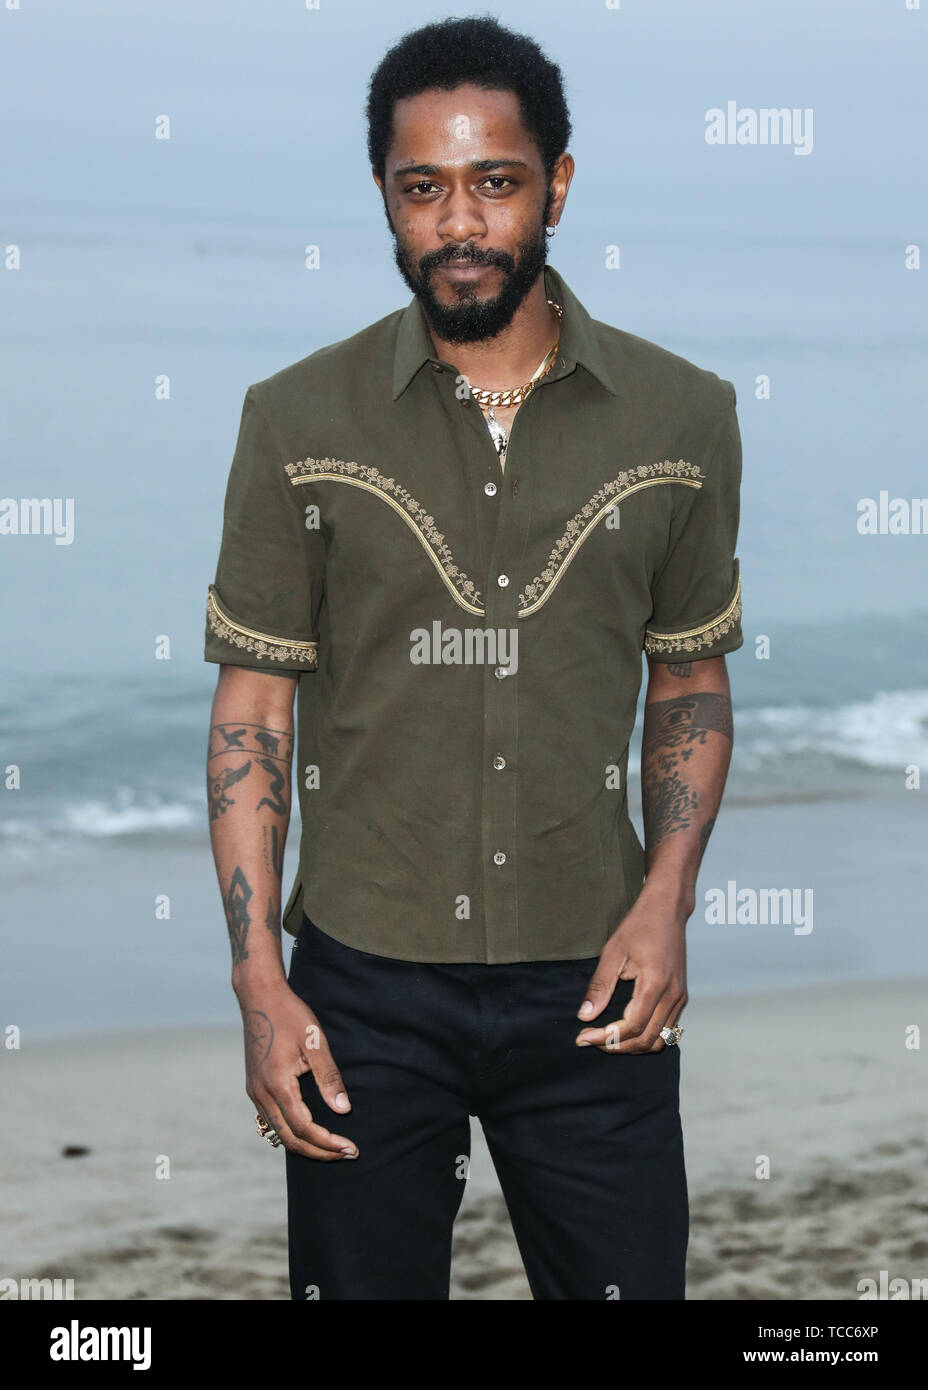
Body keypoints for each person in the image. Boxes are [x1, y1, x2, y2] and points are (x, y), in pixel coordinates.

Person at [205, 15, 742, 1301]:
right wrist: (259, 987)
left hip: (600, 982)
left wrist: (666, 902)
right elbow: (252, 716)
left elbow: (689, 680)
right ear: (386, 197)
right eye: (423, 187)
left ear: (555, 184)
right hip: (362, 997)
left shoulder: (685, 418)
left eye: (494, 183)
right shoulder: (295, 419)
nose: (459, 223)